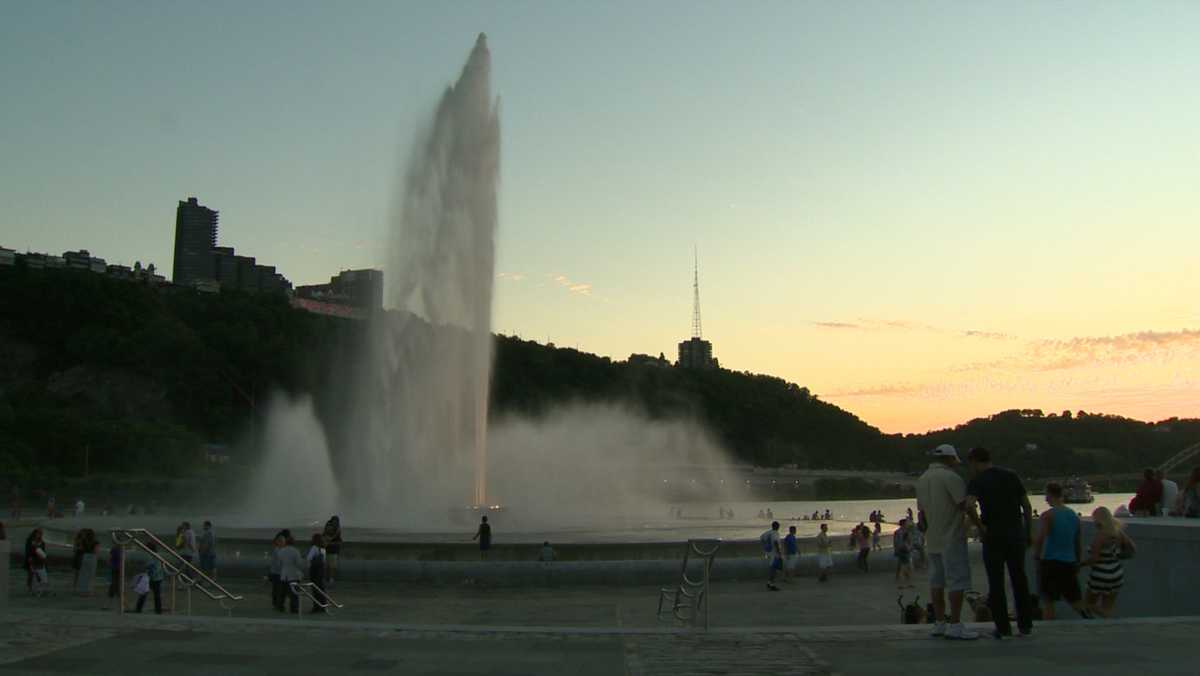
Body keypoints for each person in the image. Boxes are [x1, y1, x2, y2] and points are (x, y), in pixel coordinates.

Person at [964, 447, 1035, 639]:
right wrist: (1028, 531)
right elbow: (1026, 506)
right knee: (1019, 579)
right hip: (1015, 533)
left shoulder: (977, 480)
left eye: (970, 464)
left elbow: (969, 505)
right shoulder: (1011, 475)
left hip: (993, 535)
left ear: (974, 461)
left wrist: (980, 527)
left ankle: (1003, 627)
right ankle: (1025, 625)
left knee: (996, 582)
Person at [916, 444, 978, 640]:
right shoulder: (951, 478)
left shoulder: (922, 479)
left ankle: (939, 623)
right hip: (951, 538)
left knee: (936, 581)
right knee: (956, 581)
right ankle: (955, 624)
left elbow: (921, 514)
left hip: (932, 538)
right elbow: (965, 505)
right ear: (950, 459)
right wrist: (980, 527)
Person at [1034, 482, 1091, 620]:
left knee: (1048, 601)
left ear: (1051, 495)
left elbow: (1041, 538)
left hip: (1050, 562)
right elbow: (1077, 542)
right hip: (1069, 562)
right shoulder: (1073, 516)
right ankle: (1088, 619)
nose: (1045, 499)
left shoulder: (1048, 515)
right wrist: (1077, 560)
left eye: (1046, 495)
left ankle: (1049, 629)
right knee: (1075, 599)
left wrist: (1037, 557)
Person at [1085, 506, 1135, 618]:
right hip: (1116, 573)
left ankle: (1105, 622)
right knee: (1107, 607)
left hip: (1100, 574)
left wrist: (1081, 564)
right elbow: (1132, 548)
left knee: (1088, 604)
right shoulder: (1119, 533)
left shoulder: (1100, 536)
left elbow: (1094, 559)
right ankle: (1108, 623)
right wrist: (1118, 556)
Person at [278, 532, 305, 614]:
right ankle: (294, 609)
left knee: (282, 593)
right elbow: (299, 563)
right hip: (294, 575)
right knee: (294, 594)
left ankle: (280, 607)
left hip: (284, 575)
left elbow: (280, 563)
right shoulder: (295, 551)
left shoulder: (281, 551)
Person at [137, 541, 165, 614]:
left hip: (154, 578)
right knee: (154, 595)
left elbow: (155, 567)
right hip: (156, 578)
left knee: (147, 594)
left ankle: (139, 609)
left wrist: (148, 572)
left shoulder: (154, 556)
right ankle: (158, 610)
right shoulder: (154, 556)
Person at [306, 533, 327, 613]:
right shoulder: (323, 549)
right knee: (321, 589)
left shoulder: (314, 548)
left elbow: (309, 558)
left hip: (314, 571)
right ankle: (323, 606)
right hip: (321, 571)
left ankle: (316, 607)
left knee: (315, 589)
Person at [761, 520, 783, 591]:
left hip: (769, 553)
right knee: (774, 569)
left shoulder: (768, 533)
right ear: (777, 526)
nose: (779, 527)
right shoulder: (775, 533)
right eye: (778, 526)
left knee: (773, 568)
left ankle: (769, 583)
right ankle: (771, 584)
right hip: (775, 554)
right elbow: (776, 543)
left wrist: (766, 548)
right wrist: (779, 554)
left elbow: (762, 538)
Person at [77, 529, 99, 596]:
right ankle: (89, 591)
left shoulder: (84, 541)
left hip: (85, 556)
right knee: (91, 575)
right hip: (92, 557)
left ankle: (82, 591)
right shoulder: (95, 542)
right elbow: (96, 551)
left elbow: (81, 548)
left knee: (83, 575)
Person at [322, 516, 342, 586]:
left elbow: (339, 543)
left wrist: (329, 542)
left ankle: (330, 579)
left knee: (331, 566)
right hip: (328, 551)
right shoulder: (335, 530)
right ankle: (328, 579)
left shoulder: (337, 532)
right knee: (327, 566)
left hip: (333, 551)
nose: (329, 528)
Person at [893, 519, 913, 588]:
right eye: (906, 523)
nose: (907, 524)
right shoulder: (898, 532)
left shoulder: (905, 531)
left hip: (905, 550)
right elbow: (896, 542)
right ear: (903, 524)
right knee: (905, 566)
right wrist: (897, 550)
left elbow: (909, 540)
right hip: (902, 550)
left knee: (903, 566)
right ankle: (904, 582)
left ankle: (903, 581)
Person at [269, 531, 285, 611]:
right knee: (277, 589)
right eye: (281, 541)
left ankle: (277, 604)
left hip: (277, 572)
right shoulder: (277, 550)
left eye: (283, 541)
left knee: (277, 589)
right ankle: (277, 604)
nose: (282, 542)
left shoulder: (278, 550)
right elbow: (278, 563)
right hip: (277, 573)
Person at [106, 541, 122, 610]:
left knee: (115, 584)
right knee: (115, 584)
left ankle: (115, 598)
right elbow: (110, 558)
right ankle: (118, 597)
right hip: (116, 568)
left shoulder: (117, 549)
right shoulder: (117, 549)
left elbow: (110, 558)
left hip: (116, 568)